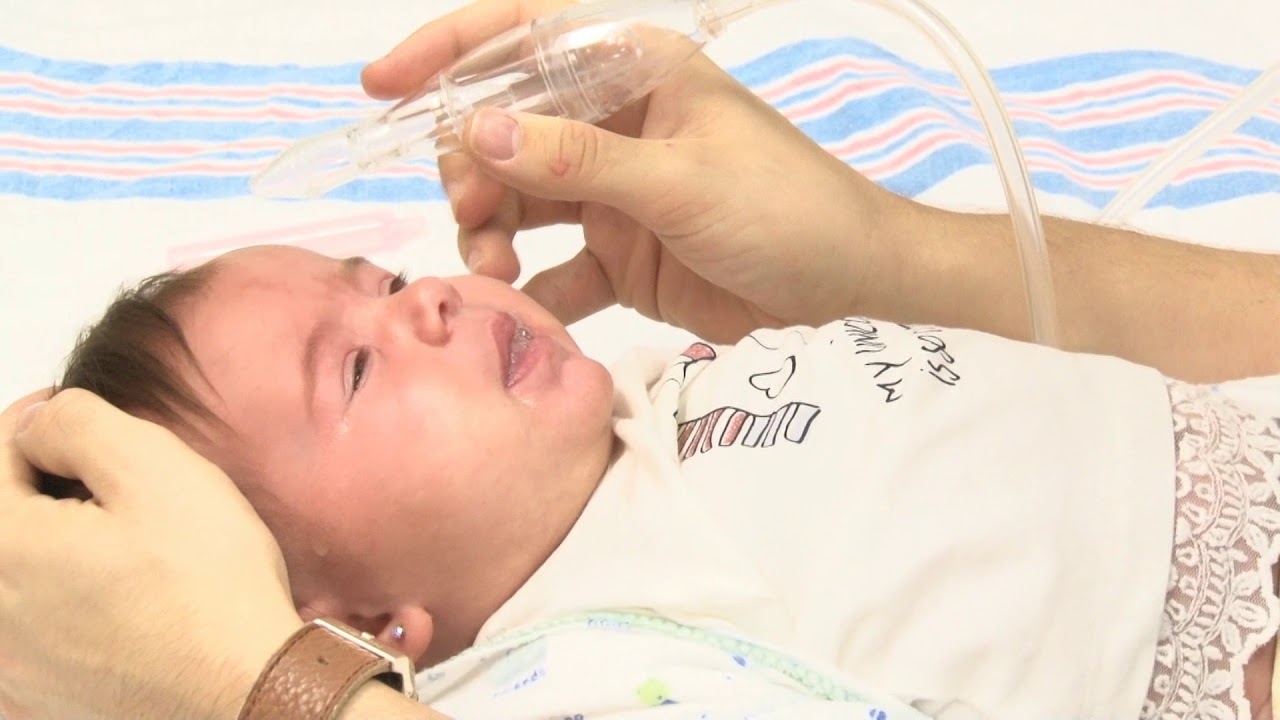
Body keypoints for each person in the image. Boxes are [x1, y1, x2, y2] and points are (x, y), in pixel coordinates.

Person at [2, 0, 1280, 718]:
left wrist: (886, 256)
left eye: (388, 284)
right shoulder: (577, 666)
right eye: (351, 372)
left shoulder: (655, 386)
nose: (430, 306)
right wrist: (274, 689)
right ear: (361, 626)